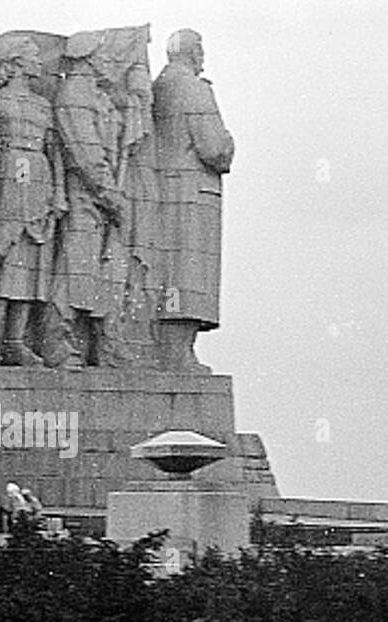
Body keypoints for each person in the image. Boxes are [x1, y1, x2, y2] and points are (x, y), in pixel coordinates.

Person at [47, 31, 133, 369]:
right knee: (74, 270)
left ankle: (104, 346)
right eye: (105, 56)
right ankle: (57, 343)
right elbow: (85, 153)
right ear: (90, 58)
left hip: (103, 195)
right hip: (85, 194)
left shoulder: (98, 95)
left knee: (103, 275)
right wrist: (111, 194)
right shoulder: (75, 92)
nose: (110, 63)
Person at [152, 29, 234, 372]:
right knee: (188, 271)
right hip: (192, 192)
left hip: (164, 189)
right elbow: (214, 147)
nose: (204, 56)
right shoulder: (194, 89)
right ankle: (178, 352)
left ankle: (173, 349)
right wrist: (230, 144)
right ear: (192, 52)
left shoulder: (160, 87)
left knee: (171, 271)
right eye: (200, 48)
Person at [0, 36, 63, 367]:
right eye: (32, 56)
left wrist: (58, 191)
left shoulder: (44, 105)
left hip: (38, 176)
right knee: (6, 258)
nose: (39, 62)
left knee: (33, 264)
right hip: (10, 174)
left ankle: (16, 340)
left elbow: (53, 151)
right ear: (13, 63)